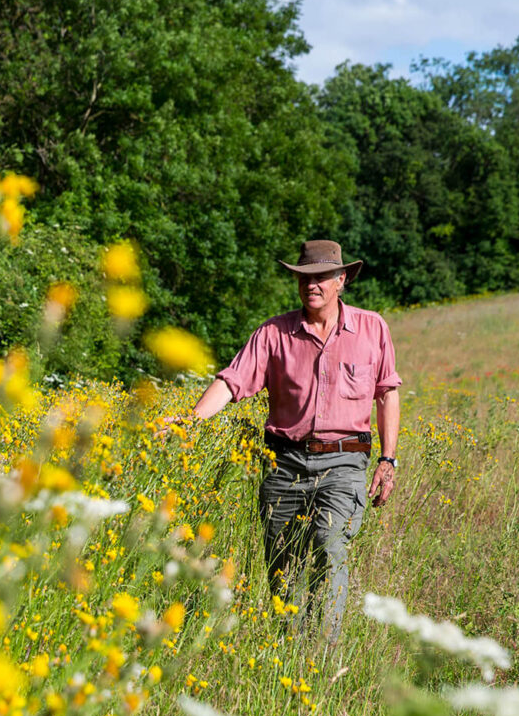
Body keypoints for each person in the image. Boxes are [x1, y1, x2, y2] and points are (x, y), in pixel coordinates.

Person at [165, 240, 401, 648]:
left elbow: (387, 392)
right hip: (284, 466)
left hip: (344, 462)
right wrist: (192, 420)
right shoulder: (273, 333)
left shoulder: (371, 328)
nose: (312, 285)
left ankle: (322, 656)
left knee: (329, 550)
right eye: (304, 277)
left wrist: (388, 459)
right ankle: (288, 655)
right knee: (283, 568)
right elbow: (232, 381)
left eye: (322, 277)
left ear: (341, 280)